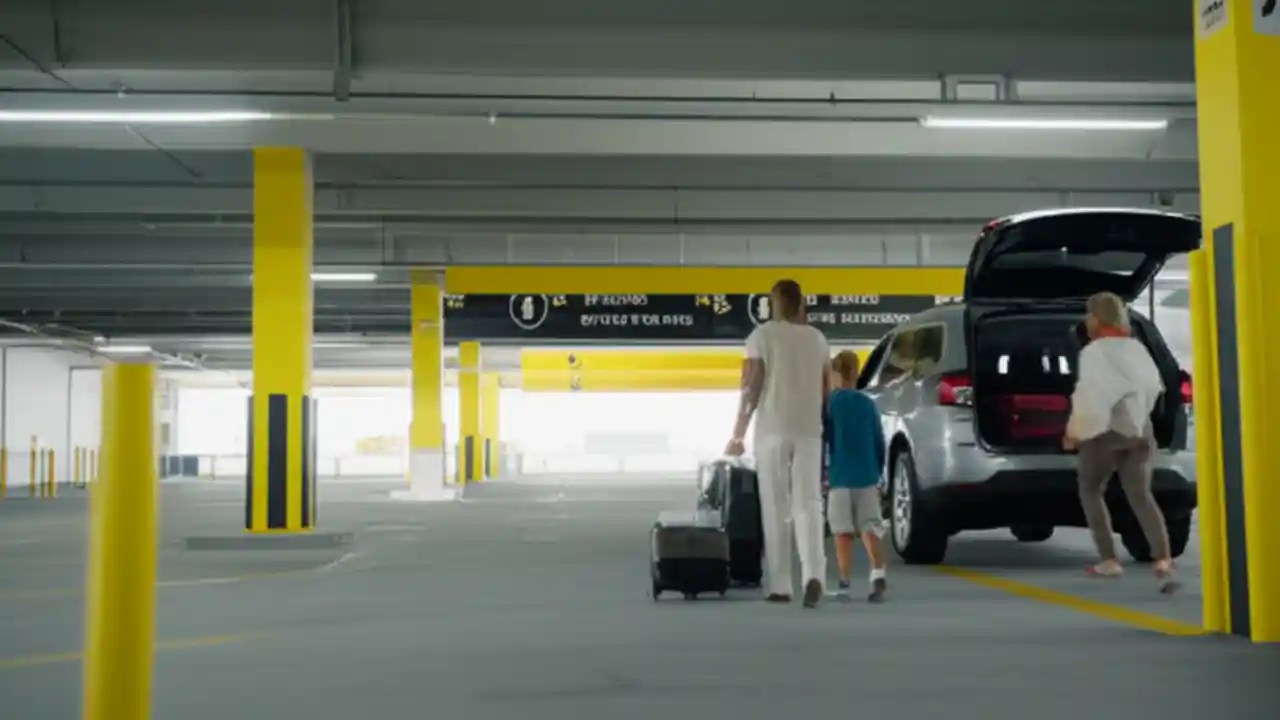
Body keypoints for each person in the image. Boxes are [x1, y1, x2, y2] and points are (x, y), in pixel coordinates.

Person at [1063, 291, 1179, 593]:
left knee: (1090, 490)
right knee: (1141, 495)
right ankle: (1164, 561)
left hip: (1105, 433)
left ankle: (1108, 560)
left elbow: (1091, 395)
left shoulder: (1094, 352)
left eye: (1089, 315)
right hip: (1141, 431)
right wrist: (1138, 418)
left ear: (1097, 319)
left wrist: (1075, 431)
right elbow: (1155, 386)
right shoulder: (1137, 349)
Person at [726, 279, 831, 608]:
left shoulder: (761, 336)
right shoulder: (818, 339)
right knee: (809, 504)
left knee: (776, 507)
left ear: (772, 305)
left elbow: (751, 386)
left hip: (772, 430)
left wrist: (738, 433)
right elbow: (827, 390)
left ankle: (781, 586)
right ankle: (814, 574)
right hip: (809, 429)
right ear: (801, 305)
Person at [824, 351, 889, 603]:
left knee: (842, 532)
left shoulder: (831, 404)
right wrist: (878, 471)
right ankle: (877, 573)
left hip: (840, 476)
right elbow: (879, 441)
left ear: (835, 374)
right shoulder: (867, 403)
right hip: (867, 474)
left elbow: (826, 441)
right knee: (870, 528)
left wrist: (823, 473)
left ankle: (844, 583)